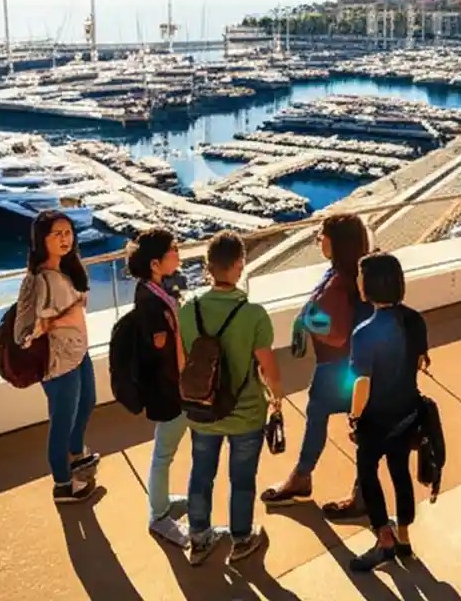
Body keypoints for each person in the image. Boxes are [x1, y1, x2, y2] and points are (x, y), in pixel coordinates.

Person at [179, 231, 284, 566]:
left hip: (201, 410)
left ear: (208, 267)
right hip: (246, 413)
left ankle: (199, 537)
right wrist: (277, 398)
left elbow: (183, 362)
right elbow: (268, 367)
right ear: (239, 265)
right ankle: (241, 538)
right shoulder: (253, 314)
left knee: (200, 473)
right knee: (241, 478)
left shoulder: (187, 311)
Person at [262, 213, 371, 519]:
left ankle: (304, 477)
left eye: (322, 235)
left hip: (338, 366)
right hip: (360, 363)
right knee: (361, 423)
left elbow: (336, 333)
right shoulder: (358, 272)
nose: (318, 240)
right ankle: (357, 489)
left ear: (337, 241)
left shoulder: (338, 280)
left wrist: (306, 321)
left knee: (328, 415)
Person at [347, 253, 427, 572]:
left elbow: (362, 383)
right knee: (399, 473)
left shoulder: (365, 332)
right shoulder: (415, 320)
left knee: (368, 474)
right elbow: (420, 361)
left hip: (376, 420)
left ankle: (384, 539)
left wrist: (354, 416)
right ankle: (404, 537)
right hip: (407, 412)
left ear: (368, 286)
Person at [13, 210, 100, 504]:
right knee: (61, 421)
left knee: (88, 402)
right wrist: (59, 319)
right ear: (42, 240)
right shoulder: (35, 281)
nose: (65, 239)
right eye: (57, 234)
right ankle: (63, 484)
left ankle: (76, 455)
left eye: (68, 233)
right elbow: (22, 333)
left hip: (79, 352)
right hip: (58, 362)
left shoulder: (67, 268)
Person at [125, 228, 191, 546]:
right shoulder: (150, 303)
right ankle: (159, 515)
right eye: (173, 250)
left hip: (172, 385)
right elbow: (160, 353)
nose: (178, 254)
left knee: (165, 449)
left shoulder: (156, 290)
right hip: (167, 390)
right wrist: (178, 387)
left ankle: (162, 502)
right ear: (155, 263)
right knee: (163, 452)